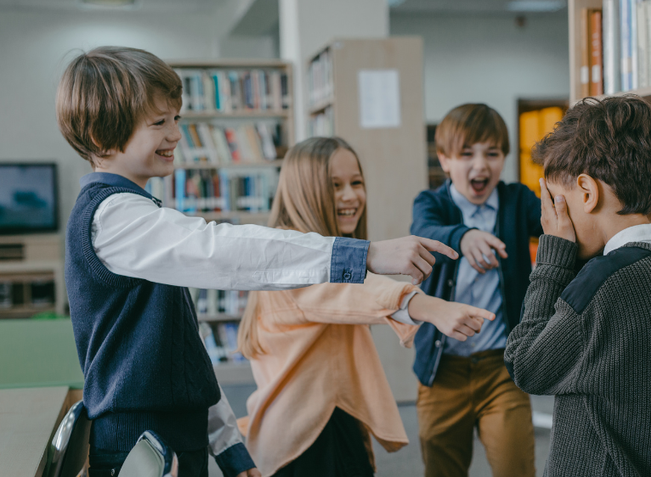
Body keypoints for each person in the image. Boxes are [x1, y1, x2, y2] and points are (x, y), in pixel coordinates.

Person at [56, 46, 456, 477]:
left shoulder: (140, 213)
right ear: (101, 136)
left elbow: (184, 355)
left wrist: (228, 446)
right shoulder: (111, 216)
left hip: (170, 442)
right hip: (141, 447)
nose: (176, 135)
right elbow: (222, 250)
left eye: (177, 119)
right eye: (159, 123)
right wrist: (365, 253)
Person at [235, 137, 495, 477]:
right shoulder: (293, 258)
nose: (350, 196)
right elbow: (348, 291)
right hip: (305, 440)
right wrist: (430, 306)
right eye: (334, 185)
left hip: (325, 423)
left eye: (356, 183)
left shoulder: (305, 250)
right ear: (304, 191)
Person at [504, 95, 651, 476]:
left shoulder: (605, 283)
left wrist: (552, 256)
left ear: (587, 192)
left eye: (555, 202)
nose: (551, 218)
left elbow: (525, 364)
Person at [410, 103, 542, 477]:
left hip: (500, 366)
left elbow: (556, 228)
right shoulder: (432, 203)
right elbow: (425, 231)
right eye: (467, 154)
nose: (480, 166)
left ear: (505, 159)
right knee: (442, 468)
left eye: (492, 153)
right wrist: (463, 236)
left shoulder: (517, 200)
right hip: (442, 370)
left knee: (516, 466)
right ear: (445, 160)